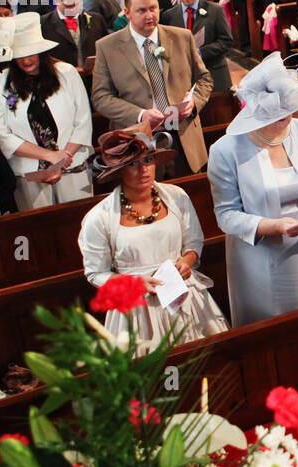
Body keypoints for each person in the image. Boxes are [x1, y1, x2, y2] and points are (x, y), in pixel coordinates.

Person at [208, 53, 298, 325]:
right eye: (277, 113)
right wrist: (273, 227)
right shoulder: (225, 150)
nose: (287, 117)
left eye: (290, 109)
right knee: (270, 331)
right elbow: (226, 216)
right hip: (258, 257)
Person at [78, 129, 230, 351]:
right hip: (136, 307)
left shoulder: (177, 196)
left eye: (148, 160)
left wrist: (187, 260)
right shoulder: (98, 217)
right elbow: (95, 273)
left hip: (183, 295)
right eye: (133, 164)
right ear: (119, 171)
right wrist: (134, 283)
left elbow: (193, 242)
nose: (144, 169)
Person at [91, 0, 214, 177]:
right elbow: (100, 97)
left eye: (153, 8)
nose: (150, 15)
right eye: (141, 10)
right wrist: (140, 115)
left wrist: (194, 102)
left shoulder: (182, 37)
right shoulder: (107, 47)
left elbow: (204, 79)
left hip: (183, 138)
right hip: (138, 143)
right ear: (127, 12)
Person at [0, 13, 93, 210]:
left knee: (79, 220)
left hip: (72, 165)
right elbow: (1, 132)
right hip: (29, 172)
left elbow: (83, 122)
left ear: (41, 52)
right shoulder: (0, 82)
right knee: (40, 230)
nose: (25, 60)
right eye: (20, 55)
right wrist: (49, 156)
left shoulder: (66, 73)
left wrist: (61, 159)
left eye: (30, 53)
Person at [163, 0, 234, 92]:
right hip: (186, 81)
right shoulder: (168, 16)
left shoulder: (215, 10)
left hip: (215, 75)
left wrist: (201, 53)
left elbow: (226, 42)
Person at [42, 0, 109, 69]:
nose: (73, 9)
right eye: (68, 6)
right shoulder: (43, 24)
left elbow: (107, 49)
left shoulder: (96, 19)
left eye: (76, 5)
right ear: (56, 1)